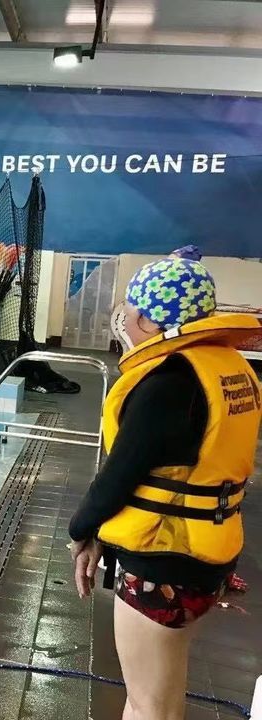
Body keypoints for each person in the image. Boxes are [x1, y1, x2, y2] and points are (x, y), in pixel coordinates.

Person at [69, 257, 262, 720]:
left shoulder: (169, 384)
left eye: (132, 313)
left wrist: (82, 532)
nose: (126, 324)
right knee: (160, 694)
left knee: (149, 704)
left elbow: (119, 474)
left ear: (150, 319)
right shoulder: (228, 366)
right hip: (206, 553)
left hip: (163, 560)